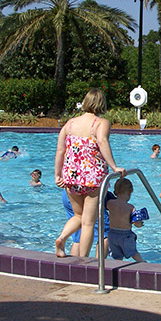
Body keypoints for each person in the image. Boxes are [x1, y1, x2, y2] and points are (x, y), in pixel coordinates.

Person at [53, 87, 124, 258]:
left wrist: (57, 174)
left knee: (78, 215)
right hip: (92, 178)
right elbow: (102, 141)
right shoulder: (100, 123)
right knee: (88, 223)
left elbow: (60, 151)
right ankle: (83, 263)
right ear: (101, 104)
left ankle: (62, 238)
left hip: (71, 176)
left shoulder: (69, 124)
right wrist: (115, 167)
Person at [106, 177, 144, 262]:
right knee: (133, 253)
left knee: (117, 257)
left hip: (112, 235)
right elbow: (136, 223)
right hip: (125, 235)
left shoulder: (110, 203)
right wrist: (140, 224)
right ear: (130, 192)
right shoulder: (130, 207)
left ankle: (117, 272)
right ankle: (143, 263)